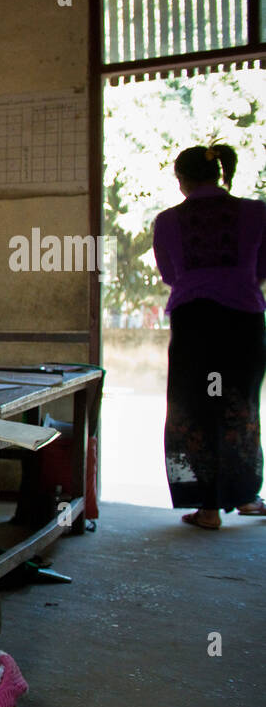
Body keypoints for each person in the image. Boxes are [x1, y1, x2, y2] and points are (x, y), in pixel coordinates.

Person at [153, 143, 266, 528]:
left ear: (181, 181)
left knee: (196, 408)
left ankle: (207, 508)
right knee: (238, 408)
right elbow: (263, 267)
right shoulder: (256, 212)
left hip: (195, 326)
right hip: (242, 325)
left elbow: (170, 275)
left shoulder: (168, 221)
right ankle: (246, 496)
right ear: (219, 173)